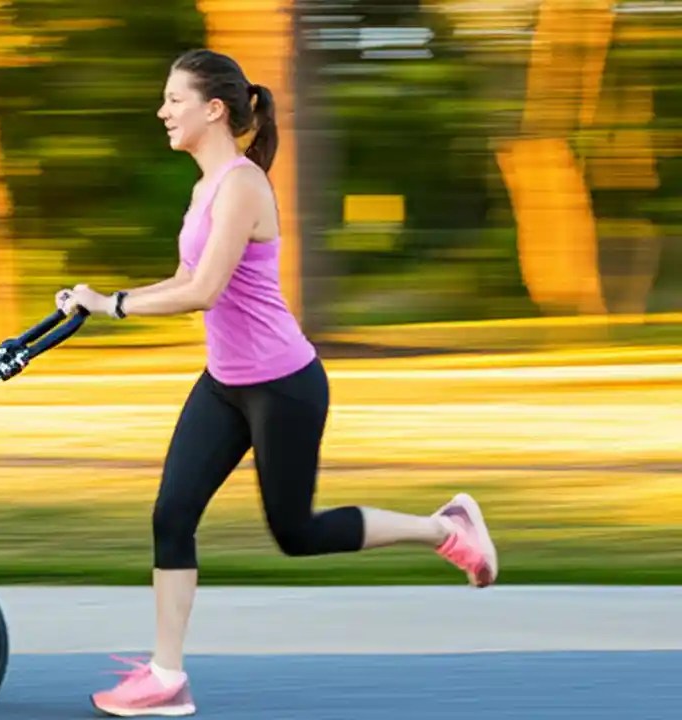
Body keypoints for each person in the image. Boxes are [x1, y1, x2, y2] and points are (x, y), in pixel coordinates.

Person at [54, 48, 499, 718]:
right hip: (224, 384)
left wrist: (111, 305)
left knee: (296, 532)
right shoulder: (205, 188)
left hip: (283, 386)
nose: (162, 111)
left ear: (214, 109)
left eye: (174, 99)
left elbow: (203, 292)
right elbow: (182, 282)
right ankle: (165, 676)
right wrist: (99, 298)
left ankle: (445, 529)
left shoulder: (241, 187)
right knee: (172, 515)